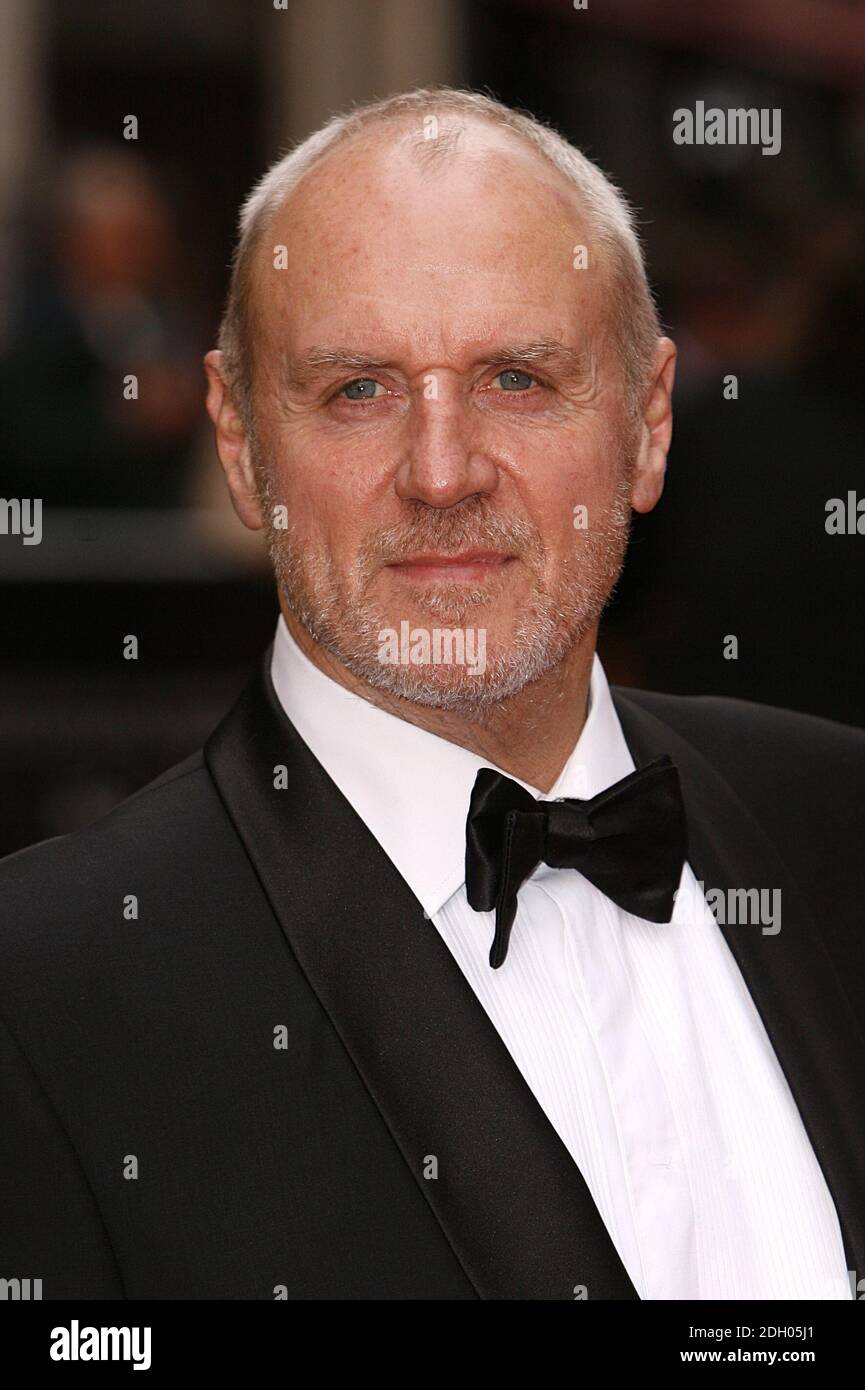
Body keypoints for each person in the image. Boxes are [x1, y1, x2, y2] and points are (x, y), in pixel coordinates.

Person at [2, 88, 864, 1302]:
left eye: (516, 377)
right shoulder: (41, 991)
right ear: (243, 445)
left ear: (649, 425)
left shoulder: (838, 822)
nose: (441, 470)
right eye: (358, 389)